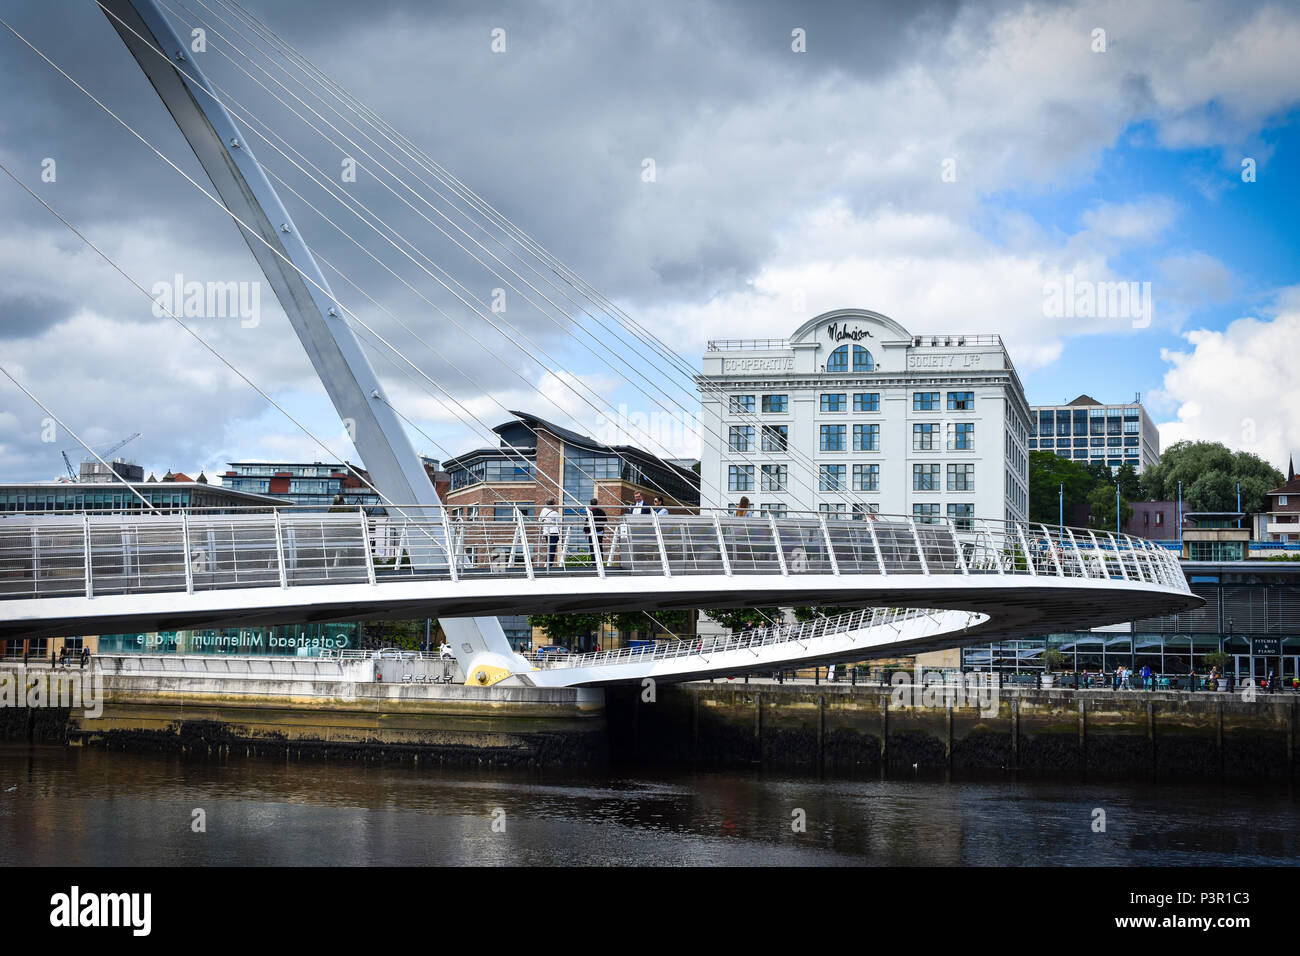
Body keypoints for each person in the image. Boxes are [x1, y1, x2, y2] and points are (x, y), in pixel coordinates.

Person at [539, 499, 562, 568]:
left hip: (546, 532)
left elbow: (540, 520)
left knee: (549, 547)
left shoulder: (543, 511)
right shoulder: (555, 513)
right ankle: (549, 564)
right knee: (552, 548)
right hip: (554, 532)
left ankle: (547, 563)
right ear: (553, 504)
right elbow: (560, 524)